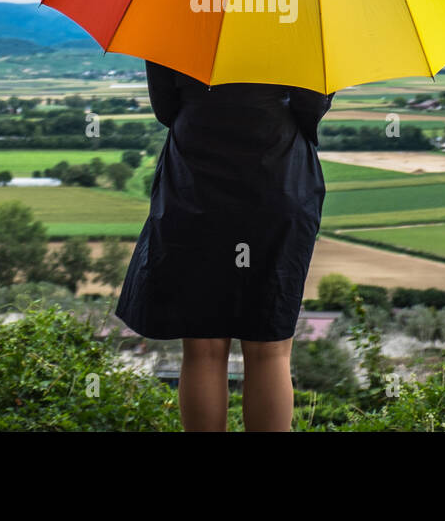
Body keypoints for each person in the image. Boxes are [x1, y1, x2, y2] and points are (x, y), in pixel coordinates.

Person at [114, 59, 335, 431]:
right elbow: (310, 107)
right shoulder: (300, 7)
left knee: (202, 347)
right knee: (270, 347)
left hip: (194, 183)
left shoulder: (171, 5)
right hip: (277, 179)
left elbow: (165, 107)